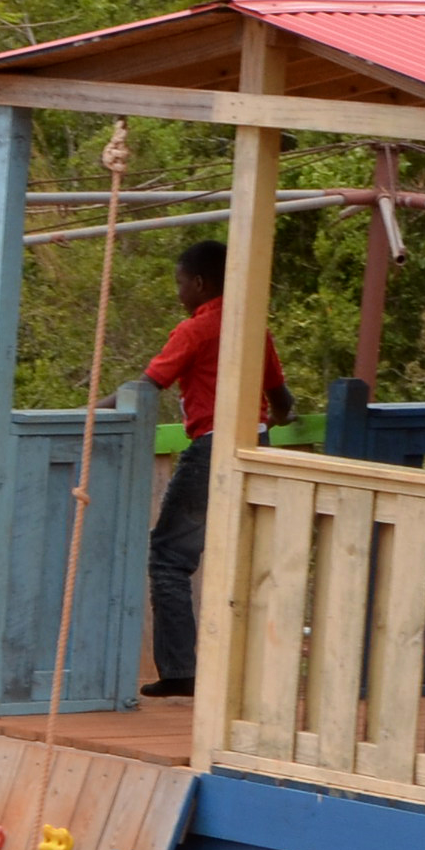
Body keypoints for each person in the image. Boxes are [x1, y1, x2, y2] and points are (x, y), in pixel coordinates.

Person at [141, 239, 292, 701]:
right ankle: (256, 675)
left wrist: (92, 411)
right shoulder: (252, 327)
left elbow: (147, 387)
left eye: (181, 282)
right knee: (248, 563)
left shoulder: (195, 330)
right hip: (258, 446)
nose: (178, 292)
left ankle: (181, 670)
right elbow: (282, 404)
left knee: (169, 558)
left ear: (200, 283)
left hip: (212, 448)